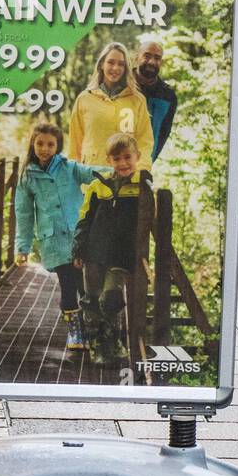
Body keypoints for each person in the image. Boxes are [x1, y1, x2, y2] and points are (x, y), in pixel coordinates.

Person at [14, 122, 99, 352]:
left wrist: (126, 174)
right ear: (32, 144)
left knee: (87, 286)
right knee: (68, 284)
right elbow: (23, 214)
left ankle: (96, 327)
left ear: (58, 146)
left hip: (79, 237)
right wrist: (23, 247)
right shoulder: (27, 176)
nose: (44, 148)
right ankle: (75, 331)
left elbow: (93, 173)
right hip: (53, 241)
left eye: (50, 144)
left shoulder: (69, 168)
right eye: (40, 143)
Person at [72, 132, 152, 365]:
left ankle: (113, 340)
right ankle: (97, 345)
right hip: (94, 254)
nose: (123, 163)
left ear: (137, 157)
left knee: (111, 297)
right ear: (109, 161)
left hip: (121, 255)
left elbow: (149, 221)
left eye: (128, 157)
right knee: (91, 298)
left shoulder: (142, 187)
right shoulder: (98, 186)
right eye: (117, 159)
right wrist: (78, 250)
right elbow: (84, 219)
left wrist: (143, 253)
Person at [68, 42, 155, 170]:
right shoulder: (84, 99)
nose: (115, 68)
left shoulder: (137, 100)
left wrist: (141, 171)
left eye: (121, 64)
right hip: (90, 176)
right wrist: (73, 176)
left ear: (126, 68)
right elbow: (74, 145)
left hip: (126, 176)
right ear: (102, 64)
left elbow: (145, 142)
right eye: (111, 62)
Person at [134, 40, 178, 160]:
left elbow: (163, 134)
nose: (152, 62)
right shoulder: (122, 85)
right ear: (136, 58)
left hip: (143, 165)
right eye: (147, 56)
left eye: (157, 58)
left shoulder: (168, 95)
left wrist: (149, 160)